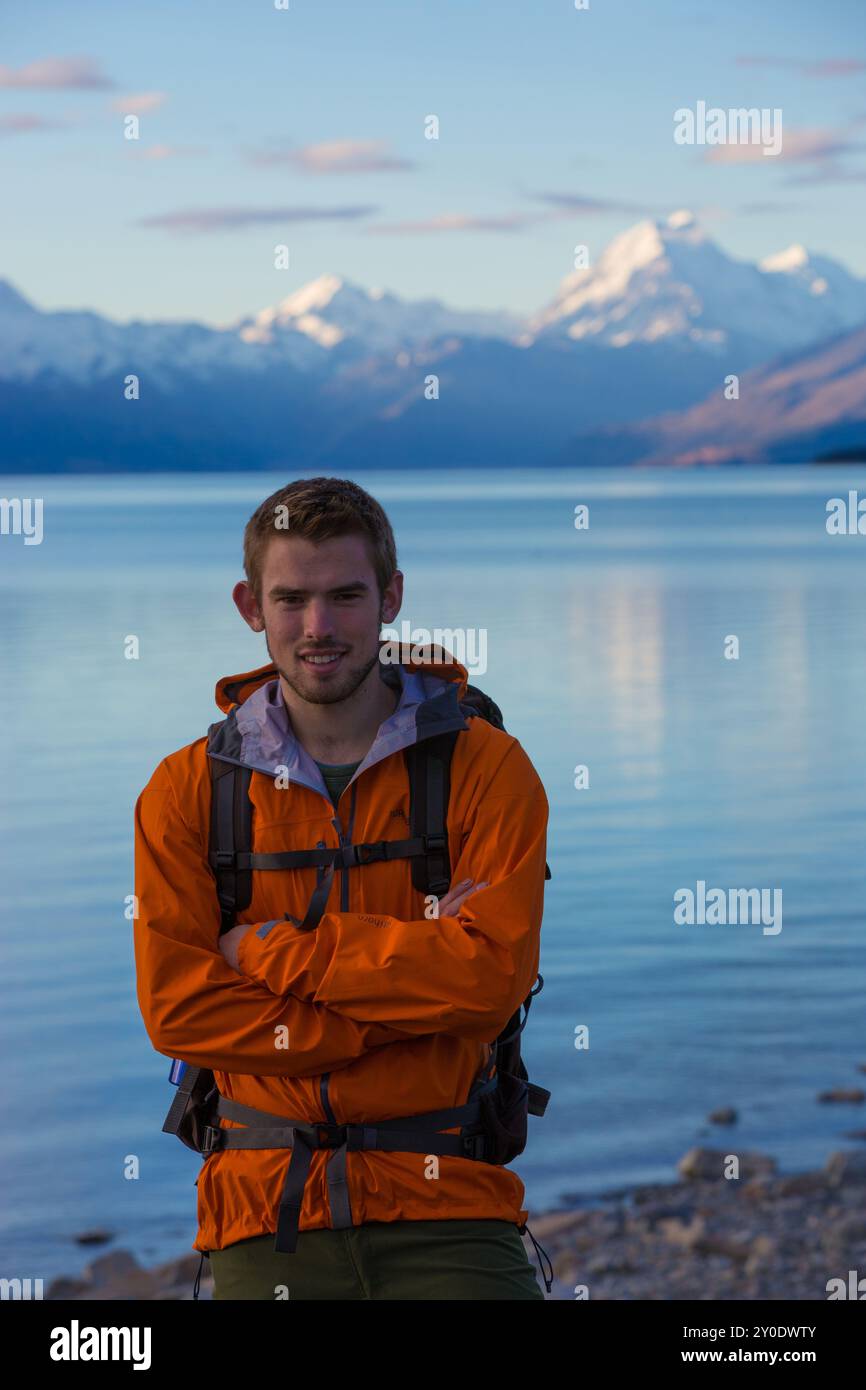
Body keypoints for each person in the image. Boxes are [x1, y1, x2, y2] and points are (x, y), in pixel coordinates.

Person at [133, 475, 550, 1300]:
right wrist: (395, 1018)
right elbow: (177, 1012)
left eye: (345, 596)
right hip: (263, 1216)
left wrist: (265, 951)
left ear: (391, 597)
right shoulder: (185, 791)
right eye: (291, 599)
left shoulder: (488, 769)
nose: (317, 628)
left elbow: (490, 984)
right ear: (251, 606)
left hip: (452, 1205)